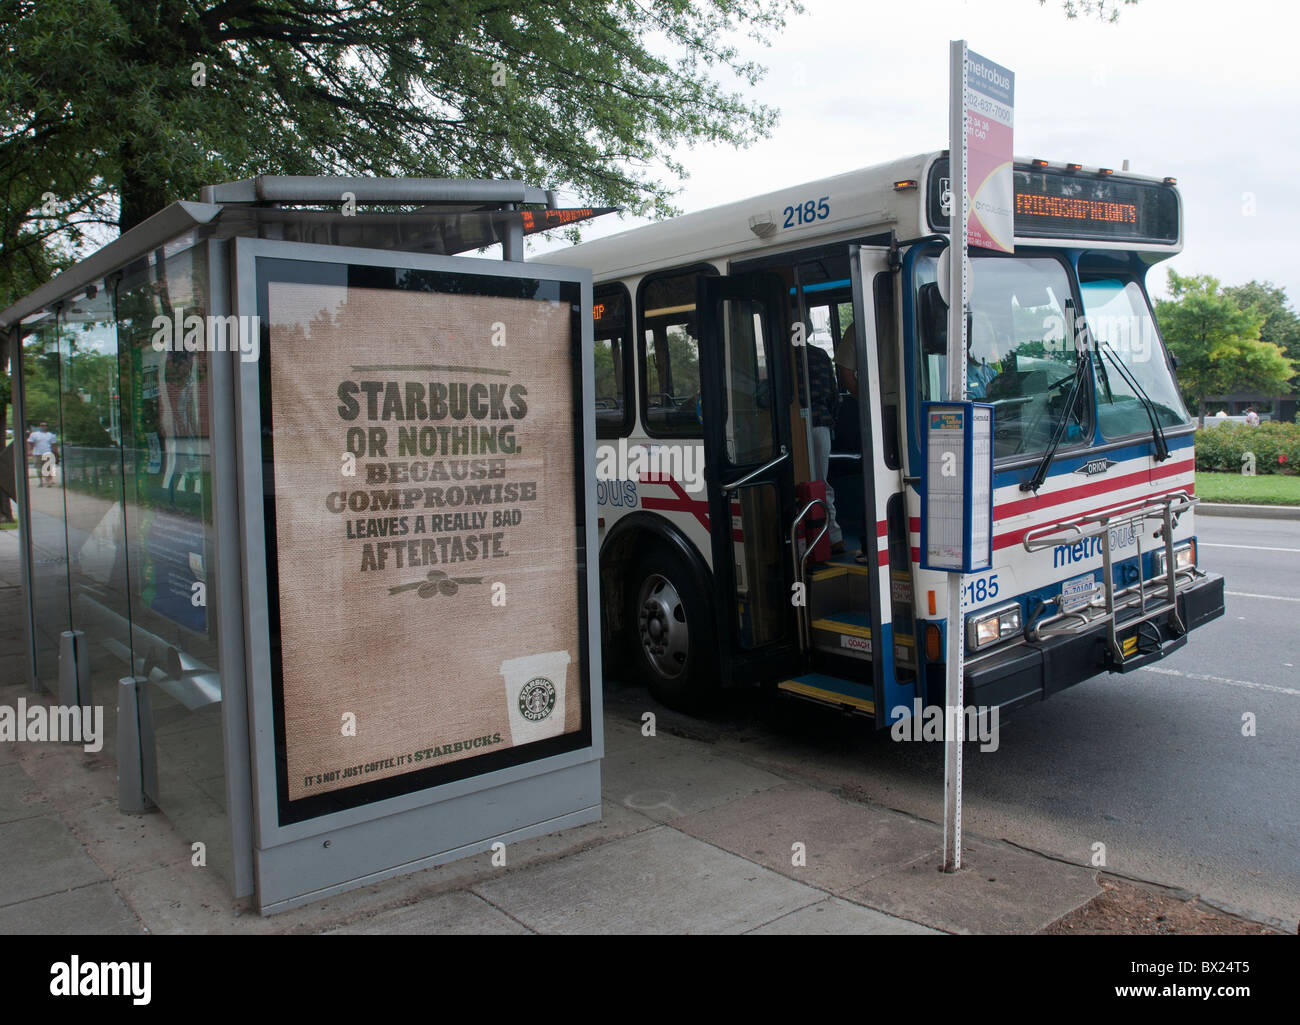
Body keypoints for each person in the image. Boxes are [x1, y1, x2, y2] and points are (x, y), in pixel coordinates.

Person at [797, 338, 843, 554]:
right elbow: (834, 395)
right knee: (821, 481)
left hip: (794, 426)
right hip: (821, 423)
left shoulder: (784, 355)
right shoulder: (821, 355)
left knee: (800, 482)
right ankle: (833, 536)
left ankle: (805, 539)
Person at [834, 323, 870, 564]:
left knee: (874, 482)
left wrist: (868, 400)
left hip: (878, 416)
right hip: (913, 412)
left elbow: (845, 374)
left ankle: (869, 548)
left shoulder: (859, 326)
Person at [26, 421, 57, 488]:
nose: (43, 427)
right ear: (40, 426)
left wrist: (55, 453)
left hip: (48, 453)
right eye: (41, 425)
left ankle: (48, 482)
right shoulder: (34, 434)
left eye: (45, 425)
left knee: (47, 469)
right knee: (39, 469)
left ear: (47, 427)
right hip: (37, 454)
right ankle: (41, 482)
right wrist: (29, 451)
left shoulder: (51, 435)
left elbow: (53, 445)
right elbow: (29, 442)